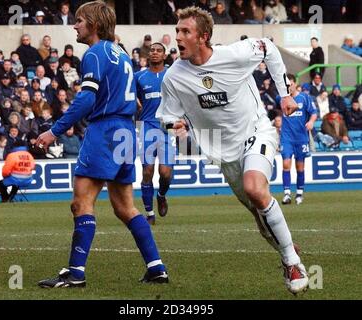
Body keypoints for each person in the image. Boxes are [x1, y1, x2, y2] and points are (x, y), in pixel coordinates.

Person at [156, 6, 308, 294]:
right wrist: (171, 125)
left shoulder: (235, 54)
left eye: (185, 31)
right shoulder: (173, 77)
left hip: (256, 132)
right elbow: (163, 116)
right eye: (177, 31)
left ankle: (292, 262)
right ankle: (285, 246)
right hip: (224, 155)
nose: (177, 37)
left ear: (203, 36)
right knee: (260, 217)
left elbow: (270, 50)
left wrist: (284, 95)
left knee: (254, 187)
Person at [36, 1, 168, 288]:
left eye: (79, 21)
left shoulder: (94, 53)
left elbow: (86, 99)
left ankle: (76, 273)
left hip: (105, 130)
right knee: (125, 207)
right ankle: (156, 267)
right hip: (125, 132)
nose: (75, 25)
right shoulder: (120, 53)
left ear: (94, 25)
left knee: (81, 203)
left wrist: (54, 131)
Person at [135, 42, 174, 225]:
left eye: (159, 50)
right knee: (148, 170)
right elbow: (128, 94)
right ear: (148, 55)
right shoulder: (139, 76)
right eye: (152, 50)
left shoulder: (172, 74)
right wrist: (135, 104)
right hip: (147, 127)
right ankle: (149, 214)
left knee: (165, 173)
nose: (155, 53)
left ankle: (161, 195)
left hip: (167, 128)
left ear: (164, 55)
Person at [280, 74, 317, 206]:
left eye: (290, 84)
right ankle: (286, 194)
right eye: (286, 85)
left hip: (301, 137)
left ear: (295, 84)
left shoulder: (304, 98)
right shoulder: (282, 99)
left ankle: (299, 193)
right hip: (287, 137)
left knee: (300, 167)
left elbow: (313, 112)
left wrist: (311, 122)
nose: (289, 87)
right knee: (286, 164)